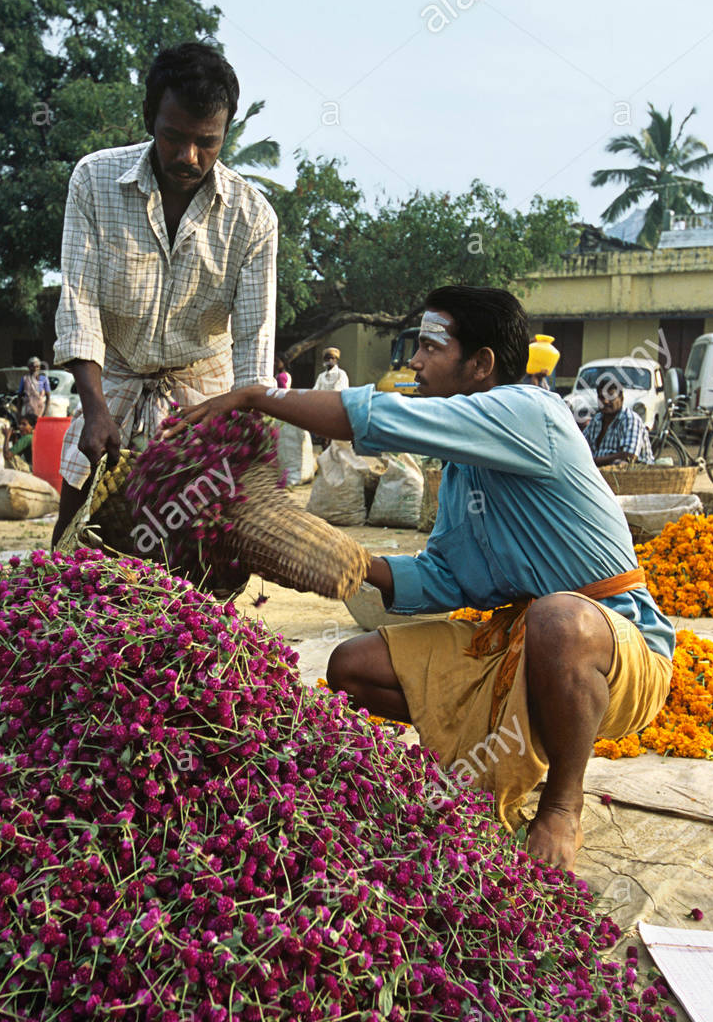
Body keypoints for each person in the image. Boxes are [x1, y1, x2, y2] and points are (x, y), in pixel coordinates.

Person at [168, 284, 675, 873]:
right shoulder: (461, 473)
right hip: (521, 651)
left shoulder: (531, 413)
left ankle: (563, 803)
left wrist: (259, 397)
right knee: (351, 667)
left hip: (615, 648)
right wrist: (347, 563)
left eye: (432, 346)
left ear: (481, 364)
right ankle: (493, 754)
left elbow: (383, 418)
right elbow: (444, 578)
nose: (415, 361)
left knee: (557, 617)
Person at [51, 41, 278, 544]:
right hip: (110, 386)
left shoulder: (253, 216)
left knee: (193, 569)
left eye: (207, 142)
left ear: (226, 133)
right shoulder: (95, 180)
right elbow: (80, 303)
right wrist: (93, 408)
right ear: (150, 117)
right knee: (71, 559)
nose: (188, 156)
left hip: (204, 398)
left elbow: (254, 341)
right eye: (174, 137)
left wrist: (238, 430)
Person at [584, 379, 654, 466]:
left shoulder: (630, 419)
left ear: (621, 399)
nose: (605, 401)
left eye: (611, 397)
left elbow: (629, 456)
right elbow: (582, 445)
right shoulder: (596, 419)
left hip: (631, 474)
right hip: (600, 472)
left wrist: (595, 461)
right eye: (602, 397)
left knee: (622, 463)